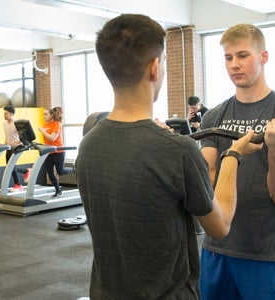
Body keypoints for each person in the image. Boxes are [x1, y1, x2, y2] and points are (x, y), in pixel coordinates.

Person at [76, 14, 260, 299]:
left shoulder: (88, 145)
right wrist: (234, 155)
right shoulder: (178, 151)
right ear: (154, 67)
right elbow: (220, 226)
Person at [198, 23, 275, 300]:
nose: (234, 65)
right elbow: (205, 179)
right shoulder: (213, 118)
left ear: (263, 57)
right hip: (218, 247)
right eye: (228, 58)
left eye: (242, 55)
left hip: (269, 252)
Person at [37, 107, 74, 198]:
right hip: (49, 152)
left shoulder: (57, 124)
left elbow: (52, 138)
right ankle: (58, 190)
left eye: (46, 114)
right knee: (50, 173)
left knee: (60, 171)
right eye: (43, 114)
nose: (44, 116)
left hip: (58, 151)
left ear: (52, 115)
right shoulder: (45, 125)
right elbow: (47, 140)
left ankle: (73, 169)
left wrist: (42, 131)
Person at [2, 105, 31, 191]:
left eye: (6, 113)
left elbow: (23, 136)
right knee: (9, 166)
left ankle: (18, 184)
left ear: (11, 114)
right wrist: (5, 144)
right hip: (9, 147)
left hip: (16, 147)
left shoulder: (16, 124)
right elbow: (7, 136)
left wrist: (20, 142)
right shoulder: (4, 124)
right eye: (4, 113)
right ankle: (26, 171)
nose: (4, 115)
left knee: (10, 166)